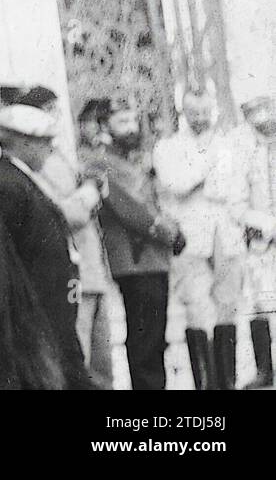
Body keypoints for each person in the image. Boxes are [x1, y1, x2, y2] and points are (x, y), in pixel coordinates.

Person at [0, 84, 93, 388]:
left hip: (51, 313)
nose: (50, 149)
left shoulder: (19, 179)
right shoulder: (4, 185)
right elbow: (8, 260)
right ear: (23, 143)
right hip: (37, 318)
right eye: (45, 142)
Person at [153, 88, 250, 389]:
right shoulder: (168, 147)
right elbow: (176, 182)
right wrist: (206, 166)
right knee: (196, 307)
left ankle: (227, 384)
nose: (200, 119)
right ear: (184, 113)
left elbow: (234, 187)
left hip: (226, 233)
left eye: (205, 113)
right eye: (194, 113)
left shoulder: (227, 145)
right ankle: (206, 385)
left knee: (227, 305)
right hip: (190, 237)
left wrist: (205, 180)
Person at [95, 96, 186, 390]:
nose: (132, 128)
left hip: (152, 260)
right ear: (103, 126)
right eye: (122, 122)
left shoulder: (131, 160)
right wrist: (172, 234)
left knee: (155, 340)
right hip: (136, 262)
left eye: (134, 120)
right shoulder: (103, 162)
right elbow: (135, 210)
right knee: (146, 343)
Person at [40, 98, 113, 385]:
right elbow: (64, 213)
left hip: (93, 271)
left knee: (103, 364)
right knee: (78, 358)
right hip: (72, 276)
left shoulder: (62, 154)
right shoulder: (39, 161)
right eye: (50, 112)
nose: (57, 118)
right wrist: (91, 192)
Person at [241, 94, 276, 389]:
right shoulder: (244, 153)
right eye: (254, 115)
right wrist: (260, 223)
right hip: (262, 240)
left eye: (267, 112)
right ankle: (265, 370)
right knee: (260, 304)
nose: (263, 121)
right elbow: (236, 200)